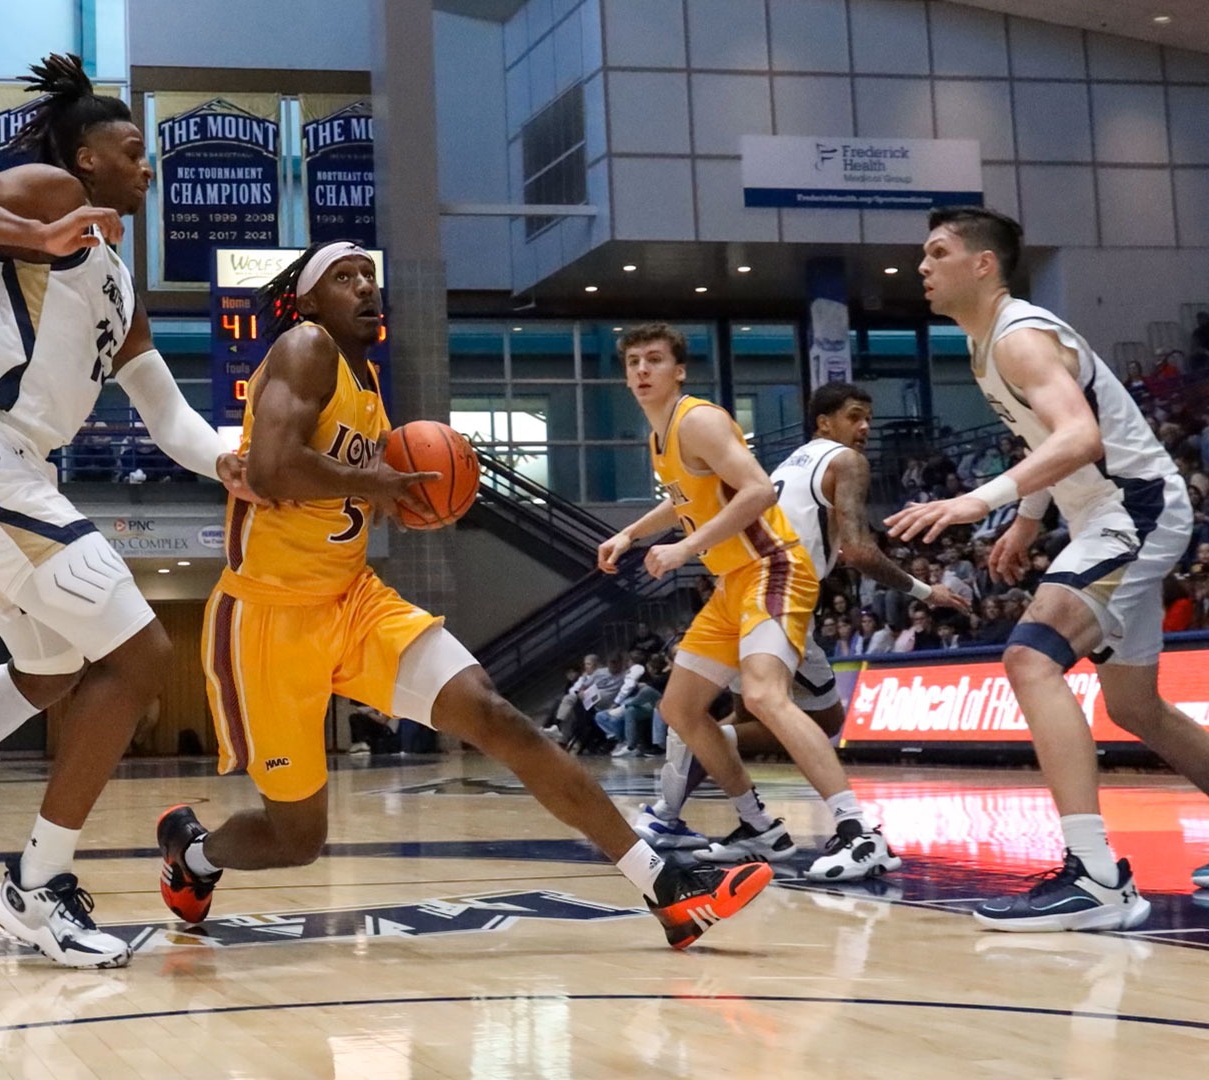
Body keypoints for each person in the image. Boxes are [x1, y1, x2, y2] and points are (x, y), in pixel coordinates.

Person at [153, 246, 771, 953]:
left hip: (353, 600)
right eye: (344, 278)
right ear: (310, 300)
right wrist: (379, 486)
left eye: (370, 277)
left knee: (498, 717)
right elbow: (269, 466)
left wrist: (406, 490)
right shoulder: (305, 346)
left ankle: (665, 889)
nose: (365, 288)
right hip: (268, 618)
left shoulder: (367, 388)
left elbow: (331, 480)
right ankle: (192, 854)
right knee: (297, 840)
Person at [0, 54, 264, 971]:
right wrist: (43, 227)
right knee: (141, 654)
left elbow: (170, 416)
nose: (149, 168)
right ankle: (35, 884)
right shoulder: (47, 189)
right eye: (134, 152)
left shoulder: (120, 283)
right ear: (90, 160)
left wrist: (233, 461)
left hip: (11, 470)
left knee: (52, 668)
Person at [892, 206, 1209, 931]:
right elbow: (1051, 442)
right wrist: (1028, 520)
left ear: (983, 265)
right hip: (1103, 514)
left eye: (937, 253)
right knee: (1133, 707)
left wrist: (983, 500)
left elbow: (1081, 435)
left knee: (1029, 659)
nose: (922, 268)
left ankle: (1095, 876)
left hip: (1135, 510)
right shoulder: (985, 344)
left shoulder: (1021, 336)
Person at [598, 324, 898, 882]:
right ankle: (757, 825)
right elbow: (681, 499)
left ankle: (859, 832)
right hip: (732, 582)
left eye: (654, 360)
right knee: (680, 710)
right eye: (633, 361)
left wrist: (687, 546)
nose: (642, 371)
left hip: (773, 566)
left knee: (763, 695)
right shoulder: (659, 434)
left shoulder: (700, 420)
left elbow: (759, 489)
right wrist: (631, 534)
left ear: (678, 370)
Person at [634, 382, 969, 859]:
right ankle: (850, 826)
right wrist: (924, 590)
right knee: (784, 709)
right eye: (855, 417)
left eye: (868, 417)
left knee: (723, 711)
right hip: (779, 586)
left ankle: (717, 806)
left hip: (741, 581)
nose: (865, 427)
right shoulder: (845, 461)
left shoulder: (788, 463)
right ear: (824, 423)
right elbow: (857, 551)